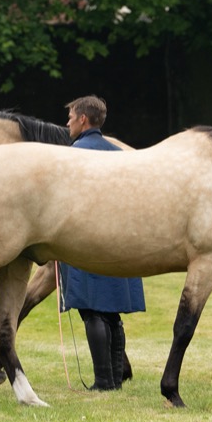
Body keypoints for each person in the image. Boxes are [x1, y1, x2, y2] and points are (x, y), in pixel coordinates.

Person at [58, 95, 144, 391]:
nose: (67, 122)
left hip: (84, 242)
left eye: (70, 117)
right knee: (113, 314)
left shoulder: (72, 155)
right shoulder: (117, 152)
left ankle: (104, 381)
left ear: (83, 119)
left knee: (92, 310)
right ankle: (116, 380)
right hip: (118, 241)